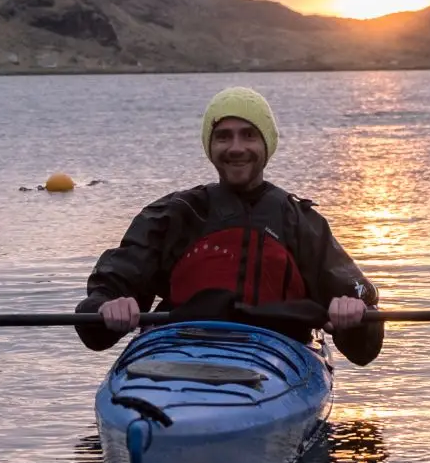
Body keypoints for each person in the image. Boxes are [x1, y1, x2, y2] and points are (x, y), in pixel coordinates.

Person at [75, 87, 384, 365]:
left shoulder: (302, 223)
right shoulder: (173, 215)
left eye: (248, 135)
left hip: (278, 357)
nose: (236, 147)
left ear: (267, 144)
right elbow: (99, 322)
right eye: (223, 136)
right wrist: (107, 306)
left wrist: (353, 315)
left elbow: (364, 349)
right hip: (178, 352)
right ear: (210, 147)